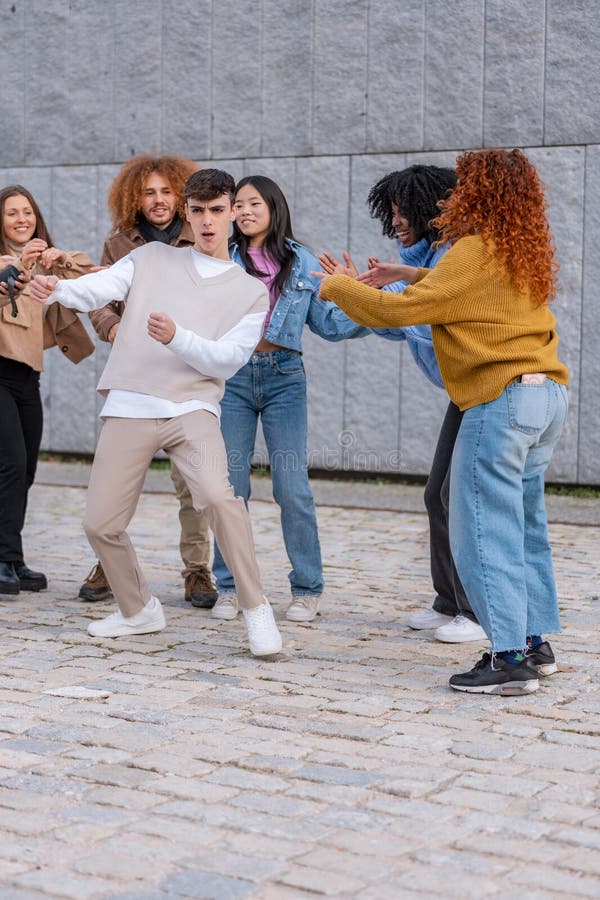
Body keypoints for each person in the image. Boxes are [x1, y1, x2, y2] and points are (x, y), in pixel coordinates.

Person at [319, 148, 569, 696]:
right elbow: (459, 294)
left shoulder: (471, 249)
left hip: (499, 400)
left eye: (464, 186)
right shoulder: (518, 249)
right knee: (524, 529)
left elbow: (399, 311)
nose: (453, 197)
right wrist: (408, 272)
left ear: (477, 193)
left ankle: (508, 658)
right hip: (545, 398)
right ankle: (533, 644)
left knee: (481, 530)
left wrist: (338, 285)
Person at [30, 168, 282, 658]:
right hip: (131, 403)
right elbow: (97, 288)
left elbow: (227, 360)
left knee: (219, 498)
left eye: (217, 210)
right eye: (198, 211)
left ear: (232, 212)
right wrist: (55, 290)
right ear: (187, 212)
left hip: (192, 409)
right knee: (100, 523)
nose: (207, 221)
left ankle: (256, 608)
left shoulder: (250, 291)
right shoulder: (149, 256)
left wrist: (177, 338)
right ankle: (138, 609)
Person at [319, 165, 486, 644]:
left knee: (460, 498)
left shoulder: (455, 254)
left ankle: (476, 612)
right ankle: (449, 602)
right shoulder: (426, 257)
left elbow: (417, 309)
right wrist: (363, 295)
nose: (395, 222)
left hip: (488, 389)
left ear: (430, 208)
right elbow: (403, 319)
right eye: (390, 213)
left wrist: (360, 293)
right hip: (464, 393)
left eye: (402, 211)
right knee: (437, 494)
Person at [208, 175, 368, 624]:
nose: (244, 211)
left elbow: (329, 324)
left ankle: (306, 589)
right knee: (230, 487)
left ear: (274, 208)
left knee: (291, 487)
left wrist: (363, 298)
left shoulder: (301, 261)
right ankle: (230, 587)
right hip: (233, 378)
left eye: (253, 203)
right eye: (238, 204)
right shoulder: (221, 258)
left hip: (284, 378)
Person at [81, 154, 218, 611]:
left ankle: (197, 571)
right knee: (118, 480)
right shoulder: (119, 244)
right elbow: (100, 300)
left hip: (185, 380)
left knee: (192, 484)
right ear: (133, 198)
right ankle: (108, 564)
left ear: (180, 195)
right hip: (134, 380)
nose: (158, 200)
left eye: (166, 191)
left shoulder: (199, 238)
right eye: (148, 192)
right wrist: (113, 328)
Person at [0, 185, 94, 596]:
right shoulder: (8, 264)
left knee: (26, 471)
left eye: (28, 212)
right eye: (11, 213)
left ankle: (12, 556)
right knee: (10, 465)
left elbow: (92, 279)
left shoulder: (44, 263)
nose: (22, 219)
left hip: (27, 378)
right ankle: (3, 559)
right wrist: (21, 266)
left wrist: (60, 259)